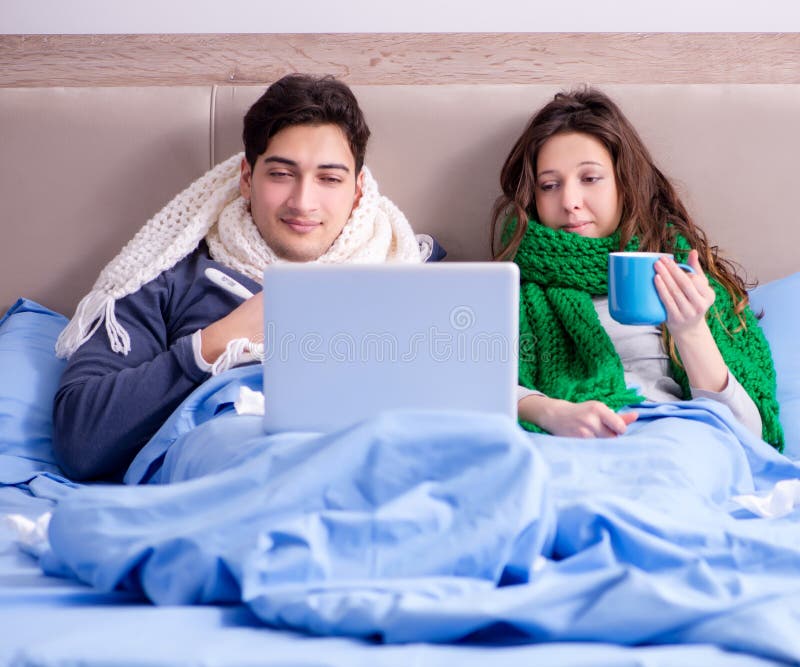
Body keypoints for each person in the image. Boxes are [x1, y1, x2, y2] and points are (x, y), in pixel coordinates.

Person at [53, 74, 439, 481]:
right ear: (246, 178)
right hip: (243, 460)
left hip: (382, 464)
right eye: (281, 174)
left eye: (329, 178)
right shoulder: (165, 278)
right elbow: (80, 441)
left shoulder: (405, 269)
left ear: (358, 190)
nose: (303, 202)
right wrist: (215, 344)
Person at [491, 87, 783, 448]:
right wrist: (551, 411)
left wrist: (690, 330)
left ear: (624, 184)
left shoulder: (684, 277)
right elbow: (476, 390)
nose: (569, 202)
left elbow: (750, 436)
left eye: (590, 178)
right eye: (549, 185)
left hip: (673, 439)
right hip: (563, 448)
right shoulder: (511, 290)